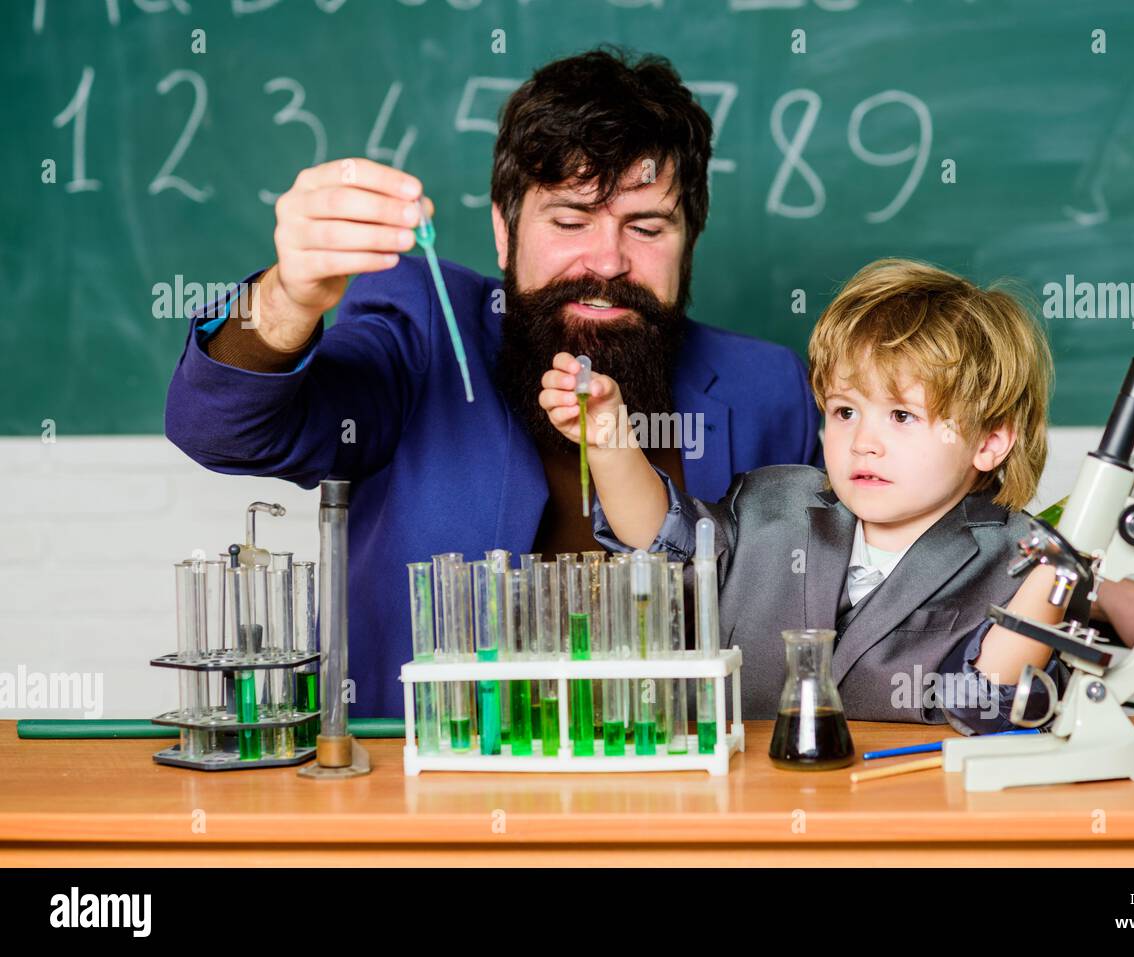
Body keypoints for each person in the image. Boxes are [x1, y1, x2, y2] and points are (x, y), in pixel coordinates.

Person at [164, 48, 820, 718]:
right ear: (504, 233)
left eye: (647, 227)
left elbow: (843, 605)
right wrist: (288, 298)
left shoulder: (768, 388)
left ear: (690, 239)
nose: (607, 261)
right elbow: (220, 430)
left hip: (691, 802)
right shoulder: (425, 326)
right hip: (432, 802)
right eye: (569, 221)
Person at [541, 258, 1134, 728]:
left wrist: (1068, 580)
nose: (864, 441)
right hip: (744, 818)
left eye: (902, 416)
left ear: (989, 442)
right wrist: (608, 437)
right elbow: (657, 534)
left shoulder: (1014, 561)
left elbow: (984, 701)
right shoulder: (772, 503)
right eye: (845, 410)